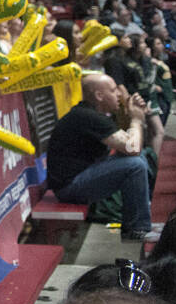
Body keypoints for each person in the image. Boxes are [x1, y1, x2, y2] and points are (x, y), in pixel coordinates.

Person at [48, 73, 159, 242]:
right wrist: (136, 120)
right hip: (69, 187)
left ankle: (141, 222)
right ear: (99, 96)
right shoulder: (86, 116)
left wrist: (130, 114)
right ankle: (137, 229)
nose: (119, 95)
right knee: (135, 164)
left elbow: (126, 143)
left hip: (82, 176)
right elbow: (132, 147)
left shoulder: (92, 114)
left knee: (141, 158)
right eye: (114, 91)